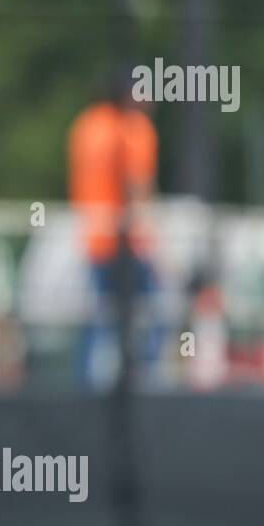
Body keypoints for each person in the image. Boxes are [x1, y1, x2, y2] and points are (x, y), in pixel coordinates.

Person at [67, 74, 161, 390]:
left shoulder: (87, 126)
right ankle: (143, 380)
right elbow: (137, 186)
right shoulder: (134, 128)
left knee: (97, 317)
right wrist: (152, 241)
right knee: (151, 313)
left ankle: (86, 388)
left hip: (94, 238)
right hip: (128, 241)